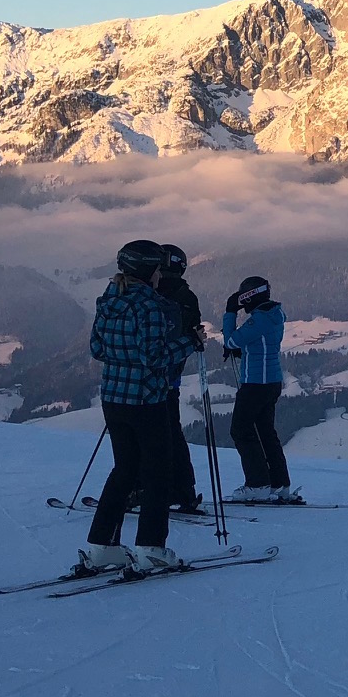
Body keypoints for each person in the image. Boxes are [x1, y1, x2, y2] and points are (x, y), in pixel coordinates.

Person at [83, 240, 196, 575]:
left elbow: (97, 348)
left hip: (113, 398)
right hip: (147, 399)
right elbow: (155, 358)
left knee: (124, 470)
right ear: (150, 270)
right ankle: (151, 548)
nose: (162, 274)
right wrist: (191, 341)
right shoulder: (151, 306)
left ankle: (102, 546)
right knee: (157, 473)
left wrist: (125, 358)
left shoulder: (108, 300)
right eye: (159, 269)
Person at [222, 275, 294, 502]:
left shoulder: (259, 320)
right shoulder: (275, 315)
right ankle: (279, 483)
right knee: (266, 431)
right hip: (271, 381)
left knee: (241, 431)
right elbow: (260, 344)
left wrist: (230, 312)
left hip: (255, 383)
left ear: (249, 297)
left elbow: (231, 341)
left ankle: (257, 484)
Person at [154, 244, 208, 514]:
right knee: (172, 433)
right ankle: (183, 490)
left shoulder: (152, 295)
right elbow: (194, 335)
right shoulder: (186, 296)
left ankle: (146, 490)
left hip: (147, 380)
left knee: (148, 438)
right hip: (171, 378)